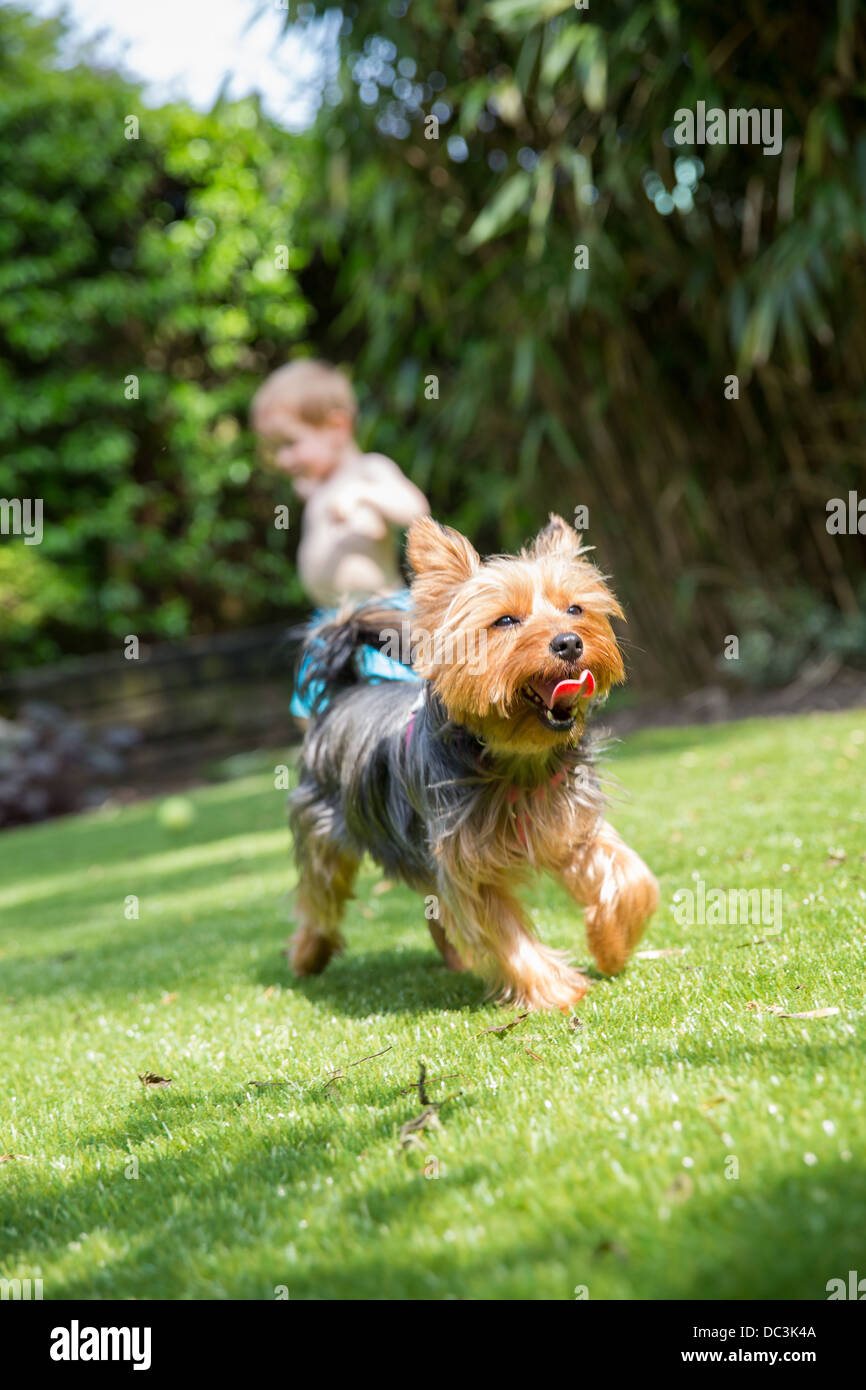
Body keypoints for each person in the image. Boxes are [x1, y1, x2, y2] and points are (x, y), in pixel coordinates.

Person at [250, 358, 429, 721]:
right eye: (275, 448)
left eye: (290, 443)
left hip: (382, 615)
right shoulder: (317, 486)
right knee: (315, 711)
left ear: (337, 426)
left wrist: (364, 497)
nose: (283, 459)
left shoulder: (369, 471)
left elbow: (417, 510)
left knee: (399, 704)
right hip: (331, 622)